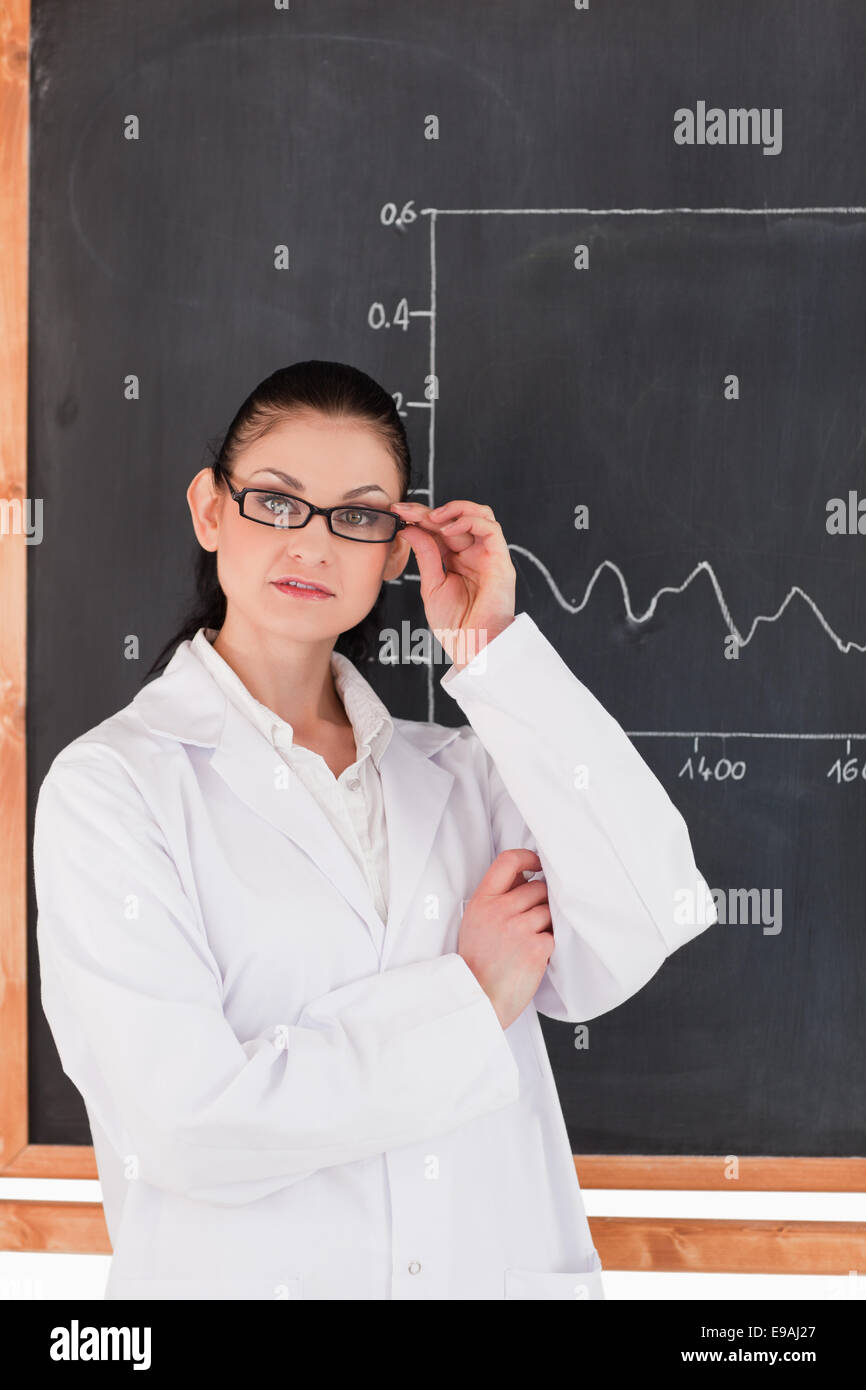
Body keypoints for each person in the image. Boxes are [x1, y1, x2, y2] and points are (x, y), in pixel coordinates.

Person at [33, 359, 717, 1301]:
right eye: (275, 501)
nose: (311, 545)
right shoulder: (113, 789)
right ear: (209, 510)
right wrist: (468, 1000)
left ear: (396, 550)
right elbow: (190, 1126)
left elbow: (653, 907)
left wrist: (496, 654)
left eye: (357, 515)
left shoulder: (465, 773)